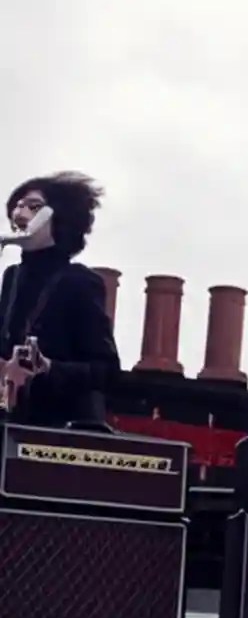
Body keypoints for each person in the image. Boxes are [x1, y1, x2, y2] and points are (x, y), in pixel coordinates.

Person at [0, 172, 120, 429]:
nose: (20, 212)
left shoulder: (81, 281)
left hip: (56, 431)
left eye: (33, 206)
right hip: (10, 422)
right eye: (17, 205)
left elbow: (106, 371)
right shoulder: (12, 277)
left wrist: (49, 367)